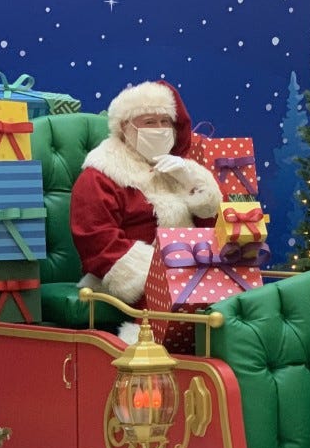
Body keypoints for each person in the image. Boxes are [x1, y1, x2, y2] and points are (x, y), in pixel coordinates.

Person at [70, 80, 222, 307]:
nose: (160, 129)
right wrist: (161, 276)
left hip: (192, 275)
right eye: (150, 122)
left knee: (238, 305)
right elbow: (98, 243)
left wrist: (193, 183)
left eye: (165, 122)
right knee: (200, 315)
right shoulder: (101, 175)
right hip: (133, 281)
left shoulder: (180, 169)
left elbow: (215, 229)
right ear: (124, 128)